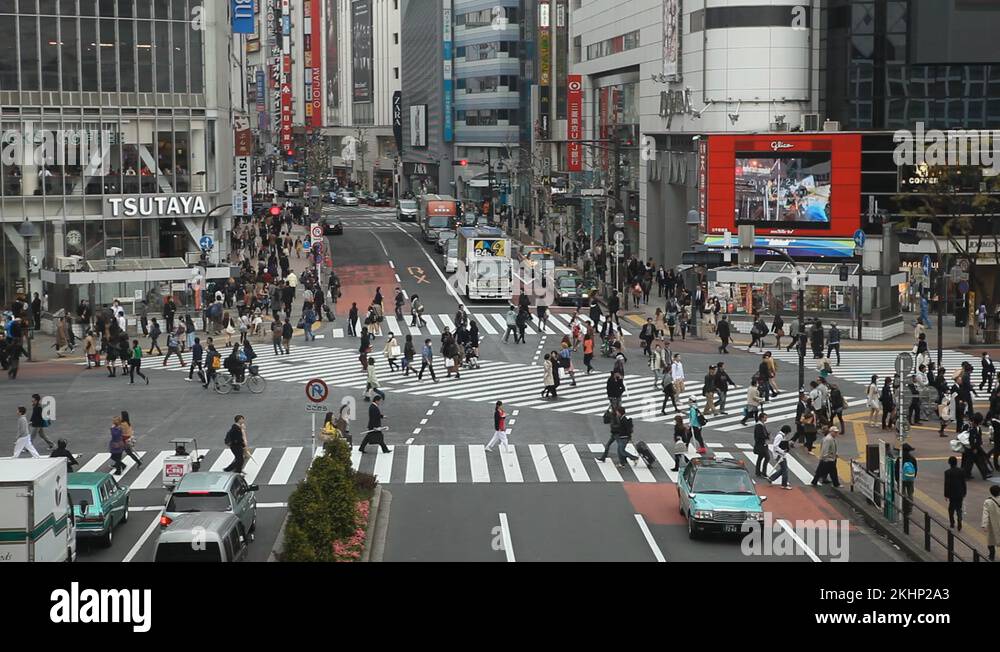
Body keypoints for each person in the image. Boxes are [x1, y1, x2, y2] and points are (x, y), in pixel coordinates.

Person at [944, 456, 967, 530]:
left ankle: (952, 523)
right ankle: (959, 521)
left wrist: (946, 494)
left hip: (951, 493)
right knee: (959, 508)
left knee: (951, 508)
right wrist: (964, 492)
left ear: (949, 463)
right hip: (960, 492)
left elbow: (946, 484)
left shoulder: (947, 472)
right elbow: (964, 482)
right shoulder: (961, 471)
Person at [982, 485, 1000, 561]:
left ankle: (991, 556)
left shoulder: (988, 502)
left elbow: (985, 514)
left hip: (993, 525)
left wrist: (984, 525)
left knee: (991, 542)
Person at [753, 412, 771, 477]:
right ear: (761, 418)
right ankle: (763, 472)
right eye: (765, 418)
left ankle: (758, 472)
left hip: (763, 444)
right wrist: (766, 436)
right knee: (767, 457)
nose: (766, 419)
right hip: (761, 445)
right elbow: (759, 435)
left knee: (760, 458)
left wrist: (767, 435)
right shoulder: (759, 425)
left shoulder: (762, 424)